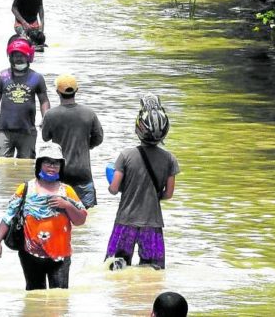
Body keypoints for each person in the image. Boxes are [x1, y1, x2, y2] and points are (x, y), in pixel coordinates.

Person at [0, 142, 87, 290]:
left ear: (61, 166)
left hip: (60, 255)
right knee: (34, 299)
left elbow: (80, 220)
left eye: (56, 163)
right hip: (30, 255)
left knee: (59, 300)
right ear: (39, 164)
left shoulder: (66, 191)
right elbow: (8, 216)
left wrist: (67, 205)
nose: (52, 166)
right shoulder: (26, 189)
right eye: (47, 162)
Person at [106, 94, 180, 270]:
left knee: (115, 267)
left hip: (125, 222)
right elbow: (169, 194)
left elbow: (114, 189)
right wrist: (153, 197)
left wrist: (114, 184)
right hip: (152, 224)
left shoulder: (125, 156)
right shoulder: (169, 159)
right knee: (153, 270)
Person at [0, 38, 50, 158]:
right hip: (5, 129)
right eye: (15, 55)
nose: (18, 58)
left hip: (27, 130)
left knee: (26, 165)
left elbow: (44, 100)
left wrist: (46, 118)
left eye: (22, 55)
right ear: (10, 57)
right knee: (1, 164)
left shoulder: (37, 78)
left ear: (29, 57)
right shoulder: (3, 76)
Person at [41, 74, 104, 208]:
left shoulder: (50, 115)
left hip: (59, 173)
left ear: (58, 92)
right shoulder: (89, 113)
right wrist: (86, 145)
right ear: (77, 90)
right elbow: (99, 138)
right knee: (86, 216)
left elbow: (45, 138)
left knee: (58, 214)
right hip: (83, 173)